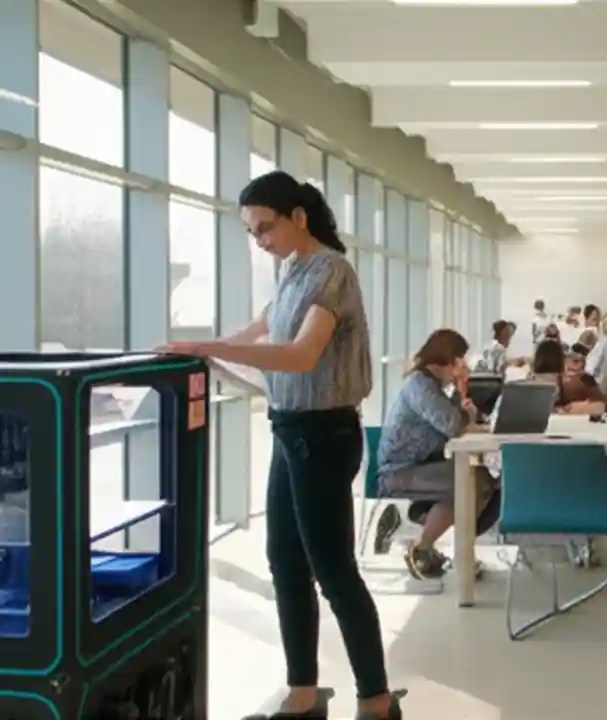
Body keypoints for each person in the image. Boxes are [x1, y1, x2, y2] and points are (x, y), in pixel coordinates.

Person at [159, 171, 398, 719]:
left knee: (333, 571)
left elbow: (300, 355)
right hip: (290, 430)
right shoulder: (292, 273)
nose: (259, 240)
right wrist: (194, 351)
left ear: (299, 217)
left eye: (265, 227)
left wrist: (205, 347)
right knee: (286, 562)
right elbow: (251, 336)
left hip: (324, 434)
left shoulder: (331, 271)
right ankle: (303, 694)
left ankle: (376, 700)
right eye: (251, 232)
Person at [376, 329, 502, 579]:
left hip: (420, 466)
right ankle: (426, 547)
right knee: (475, 483)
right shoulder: (420, 386)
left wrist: (460, 391)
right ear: (450, 359)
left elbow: (454, 420)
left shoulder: (431, 386)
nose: (464, 365)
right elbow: (453, 425)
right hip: (398, 472)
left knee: (476, 483)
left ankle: (434, 541)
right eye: (461, 359)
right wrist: (461, 392)